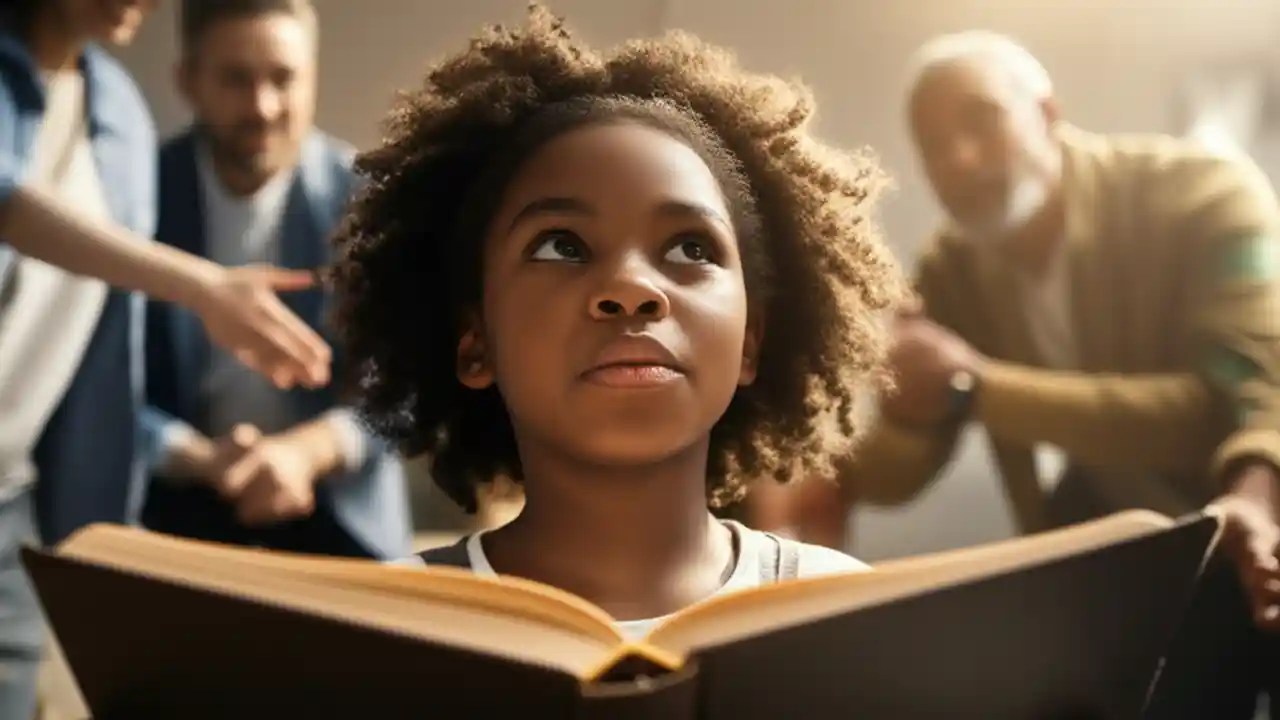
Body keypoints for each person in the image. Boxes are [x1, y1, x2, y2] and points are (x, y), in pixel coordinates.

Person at [330, 5, 902, 636]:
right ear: (475, 343)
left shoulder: (854, 619)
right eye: (561, 247)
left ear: (750, 342)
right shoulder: (380, 635)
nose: (631, 289)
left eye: (690, 248)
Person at [793, 31, 1280, 718]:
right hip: (1142, 579)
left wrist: (973, 388)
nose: (960, 159)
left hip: (1256, 524)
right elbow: (902, 474)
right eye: (934, 146)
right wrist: (871, 437)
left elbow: (1225, 410)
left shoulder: (1204, 190)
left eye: (982, 120)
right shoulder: (952, 267)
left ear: (1048, 112)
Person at [0, 0, 326, 716]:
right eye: (236, 78)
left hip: (11, 503)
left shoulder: (118, 109)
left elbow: (104, 359)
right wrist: (203, 286)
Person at [141, 0, 410, 560]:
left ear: (313, 77)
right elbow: (98, 383)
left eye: (283, 78)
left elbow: (405, 385)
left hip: (337, 511)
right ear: (188, 81)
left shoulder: (369, 201)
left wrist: (306, 452)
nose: (262, 107)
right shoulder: (137, 196)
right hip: (175, 506)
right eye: (236, 79)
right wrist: (197, 457)